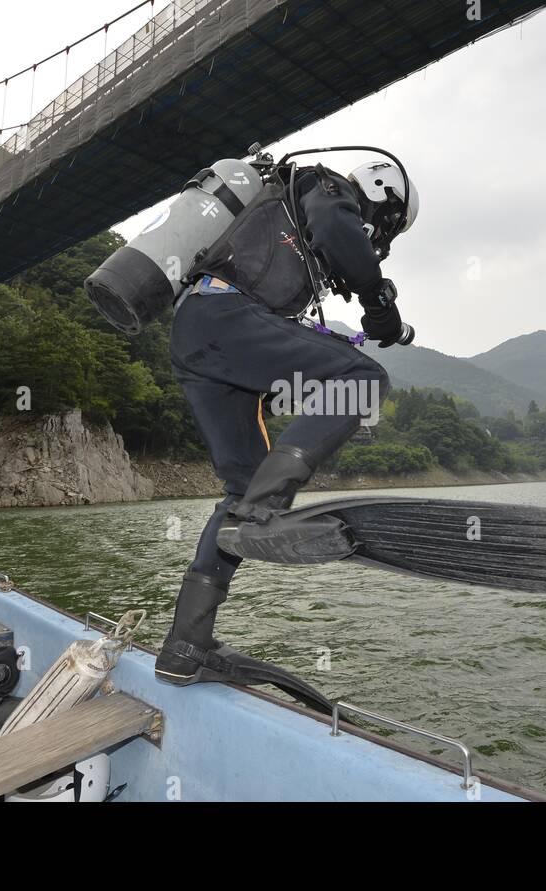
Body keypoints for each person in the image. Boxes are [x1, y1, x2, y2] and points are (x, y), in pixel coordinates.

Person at [154, 158, 418, 698]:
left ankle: (186, 645)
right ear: (379, 195)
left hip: (196, 333)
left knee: (240, 486)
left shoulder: (283, 214)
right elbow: (338, 225)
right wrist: (378, 301)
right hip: (227, 314)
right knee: (364, 379)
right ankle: (267, 507)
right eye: (384, 225)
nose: (379, 237)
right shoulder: (325, 186)